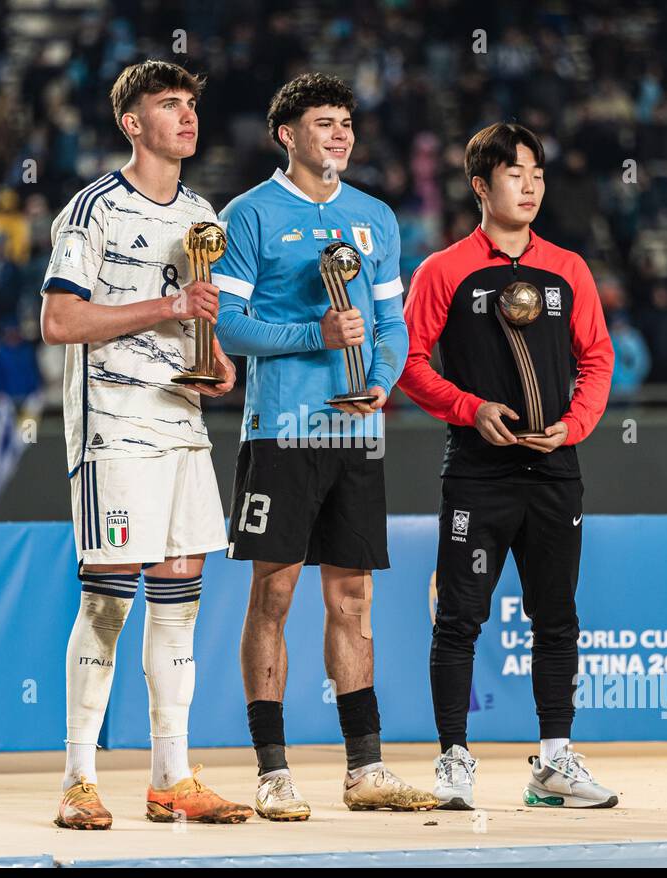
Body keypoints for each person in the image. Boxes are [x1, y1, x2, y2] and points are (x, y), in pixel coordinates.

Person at [212, 72, 437, 819]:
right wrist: (315, 334)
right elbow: (230, 329)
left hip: (356, 432)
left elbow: (393, 323)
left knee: (353, 598)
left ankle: (364, 767)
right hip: (281, 431)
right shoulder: (250, 215)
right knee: (273, 594)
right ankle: (273, 770)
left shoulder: (374, 216)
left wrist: (381, 381)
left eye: (345, 122)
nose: (339, 134)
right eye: (323, 123)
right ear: (288, 134)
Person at [39, 60, 251, 830]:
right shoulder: (92, 208)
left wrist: (216, 359)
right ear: (133, 123)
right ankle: (78, 779)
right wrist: (168, 302)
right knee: (108, 596)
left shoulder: (200, 210)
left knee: (181, 592)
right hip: (114, 424)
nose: (188, 116)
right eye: (170, 104)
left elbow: (193, 320)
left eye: (192, 102)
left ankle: (172, 775)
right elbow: (59, 322)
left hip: (180, 423)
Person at [398, 123, 617, 811]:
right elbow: (407, 363)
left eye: (538, 174)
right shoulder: (443, 270)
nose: (530, 185)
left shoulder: (569, 269)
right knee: (459, 618)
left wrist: (575, 425)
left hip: (555, 470)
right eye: (515, 173)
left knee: (557, 618)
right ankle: (454, 758)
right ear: (479, 185)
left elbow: (598, 358)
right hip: (478, 472)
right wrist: (468, 407)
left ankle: (553, 762)